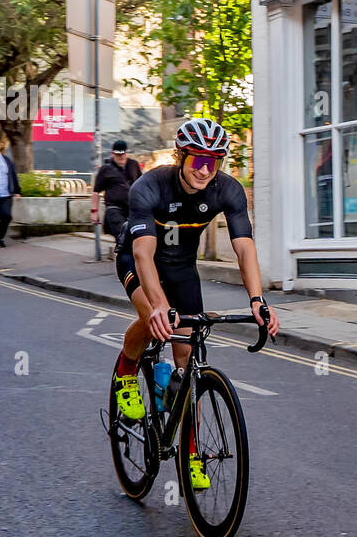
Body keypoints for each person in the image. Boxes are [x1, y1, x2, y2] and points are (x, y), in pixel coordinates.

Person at [110, 117, 279, 490]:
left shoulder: (227, 190)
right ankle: (127, 369)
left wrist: (257, 299)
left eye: (213, 161)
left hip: (183, 268)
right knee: (157, 319)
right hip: (139, 262)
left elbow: (244, 247)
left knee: (188, 362)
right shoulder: (149, 186)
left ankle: (191, 453)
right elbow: (143, 253)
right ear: (180, 155)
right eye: (197, 160)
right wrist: (157, 306)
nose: (205, 170)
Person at [91, 139, 143, 240]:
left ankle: (123, 253)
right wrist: (94, 211)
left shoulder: (134, 165)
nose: (120, 157)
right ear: (112, 154)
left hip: (132, 208)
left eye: (122, 154)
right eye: (117, 154)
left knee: (136, 235)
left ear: (126, 153)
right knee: (121, 235)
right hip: (114, 208)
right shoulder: (105, 169)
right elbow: (96, 191)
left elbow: (141, 184)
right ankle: (119, 254)